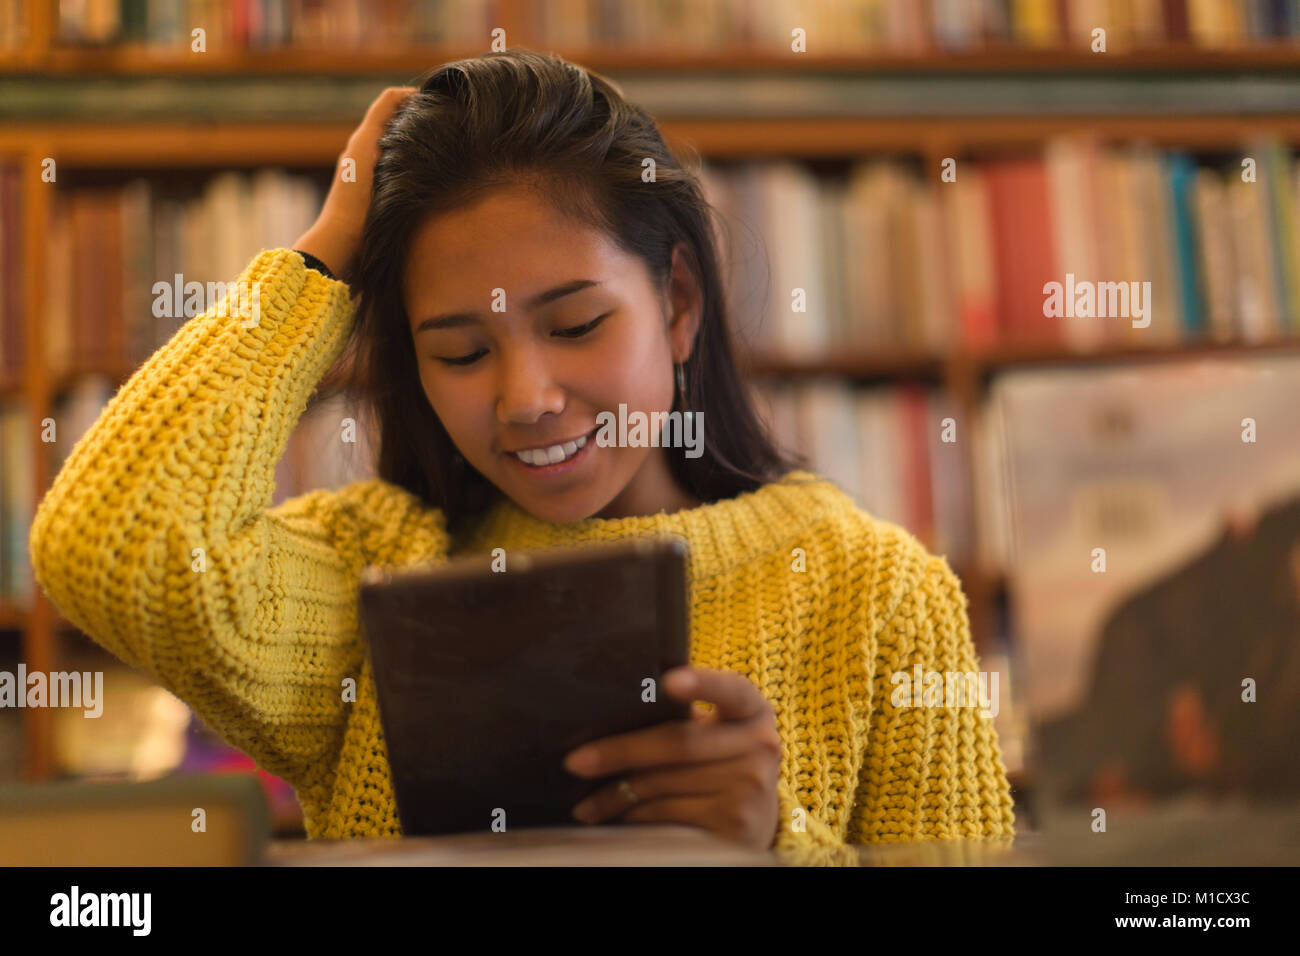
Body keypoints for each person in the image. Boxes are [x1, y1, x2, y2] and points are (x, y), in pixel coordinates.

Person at [28, 49, 1015, 866]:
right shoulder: (370, 574)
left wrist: (771, 844)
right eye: (458, 350)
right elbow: (110, 539)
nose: (526, 398)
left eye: (577, 323)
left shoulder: (879, 594)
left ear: (676, 303)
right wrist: (325, 256)